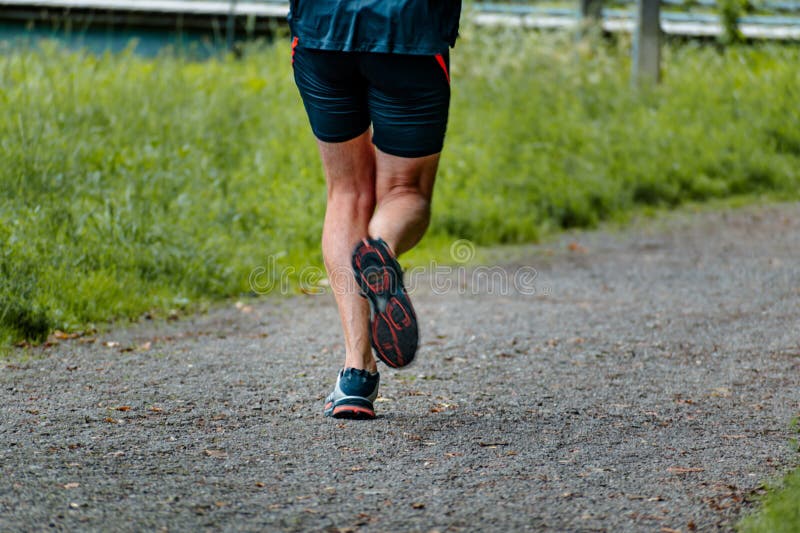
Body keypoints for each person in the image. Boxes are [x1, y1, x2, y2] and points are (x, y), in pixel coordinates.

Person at [289, 0, 462, 420]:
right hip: (408, 30)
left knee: (346, 193)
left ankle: (356, 374)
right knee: (406, 191)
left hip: (322, 30)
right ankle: (379, 248)